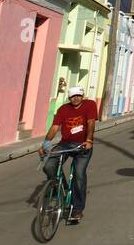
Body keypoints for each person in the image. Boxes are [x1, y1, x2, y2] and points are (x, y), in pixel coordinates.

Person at [39, 85, 97, 224]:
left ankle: (77, 208)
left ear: (82, 96)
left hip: (82, 145)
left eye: (78, 96)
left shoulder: (90, 105)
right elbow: (54, 127)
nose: (76, 98)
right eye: (72, 96)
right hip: (65, 144)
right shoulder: (63, 109)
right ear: (69, 98)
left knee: (79, 174)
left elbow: (90, 123)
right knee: (49, 165)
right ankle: (62, 189)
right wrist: (46, 144)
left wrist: (89, 140)